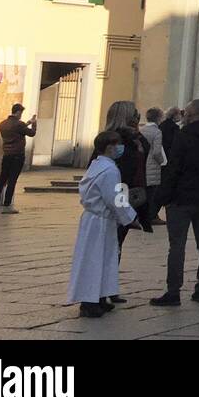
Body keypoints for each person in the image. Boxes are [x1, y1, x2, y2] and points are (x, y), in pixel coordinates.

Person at [151, 99, 199, 306]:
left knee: (176, 246)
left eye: (185, 112)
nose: (183, 115)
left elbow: (173, 169)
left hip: (181, 199)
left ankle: (173, 291)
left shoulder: (183, 137)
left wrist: (161, 199)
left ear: (190, 115)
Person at [67, 130, 136, 318]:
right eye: (117, 144)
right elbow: (114, 198)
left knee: (102, 259)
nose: (120, 148)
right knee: (96, 260)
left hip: (95, 219)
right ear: (109, 147)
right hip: (101, 221)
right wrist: (130, 217)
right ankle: (90, 301)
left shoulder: (97, 166)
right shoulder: (110, 170)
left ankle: (99, 296)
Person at [105, 100, 152, 303]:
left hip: (131, 195)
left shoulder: (134, 139)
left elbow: (146, 151)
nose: (137, 118)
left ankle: (110, 287)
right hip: (118, 194)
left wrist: (136, 133)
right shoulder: (113, 140)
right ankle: (105, 289)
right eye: (134, 114)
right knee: (112, 244)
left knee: (118, 243)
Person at [0, 103, 37, 214]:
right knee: (12, 180)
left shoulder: (3, 124)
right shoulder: (19, 124)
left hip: (7, 155)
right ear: (18, 112)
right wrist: (34, 124)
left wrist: (27, 123)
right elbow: (31, 133)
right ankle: (7, 205)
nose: (21, 115)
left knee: (2, 179)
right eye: (21, 113)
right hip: (17, 155)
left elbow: (17, 129)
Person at [140, 108, 168, 226]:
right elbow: (157, 152)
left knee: (145, 192)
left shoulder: (141, 130)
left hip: (142, 164)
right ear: (159, 118)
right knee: (152, 194)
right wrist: (162, 162)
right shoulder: (157, 132)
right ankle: (151, 216)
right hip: (153, 166)